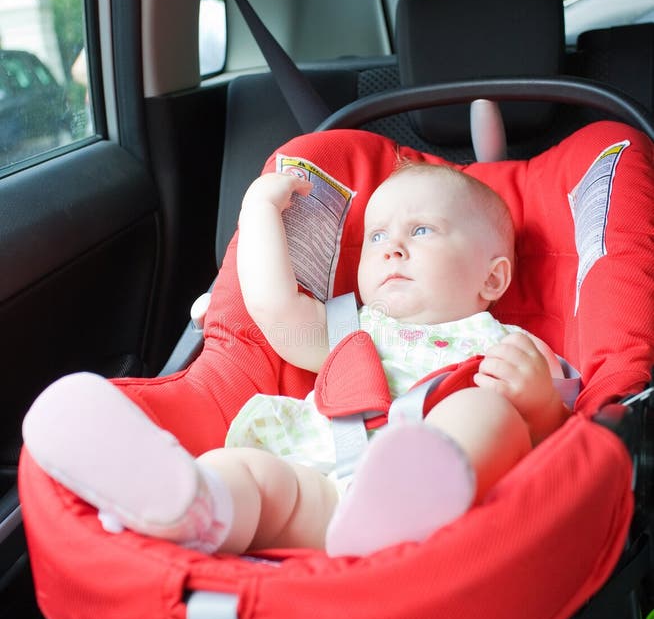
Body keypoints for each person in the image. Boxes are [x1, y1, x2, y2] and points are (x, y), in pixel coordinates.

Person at [22, 162, 570, 557]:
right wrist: (258, 211)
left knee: (488, 413)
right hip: (324, 493)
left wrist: (540, 404)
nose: (392, 248)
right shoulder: (348, 327)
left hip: (434, 498)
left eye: (421, 231)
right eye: (377, 235)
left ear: (493, 277)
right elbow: (272, 305)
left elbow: (563, 435)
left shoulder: (509, 344)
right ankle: (186, 505)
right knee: (248, 476)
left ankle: (406, 504)